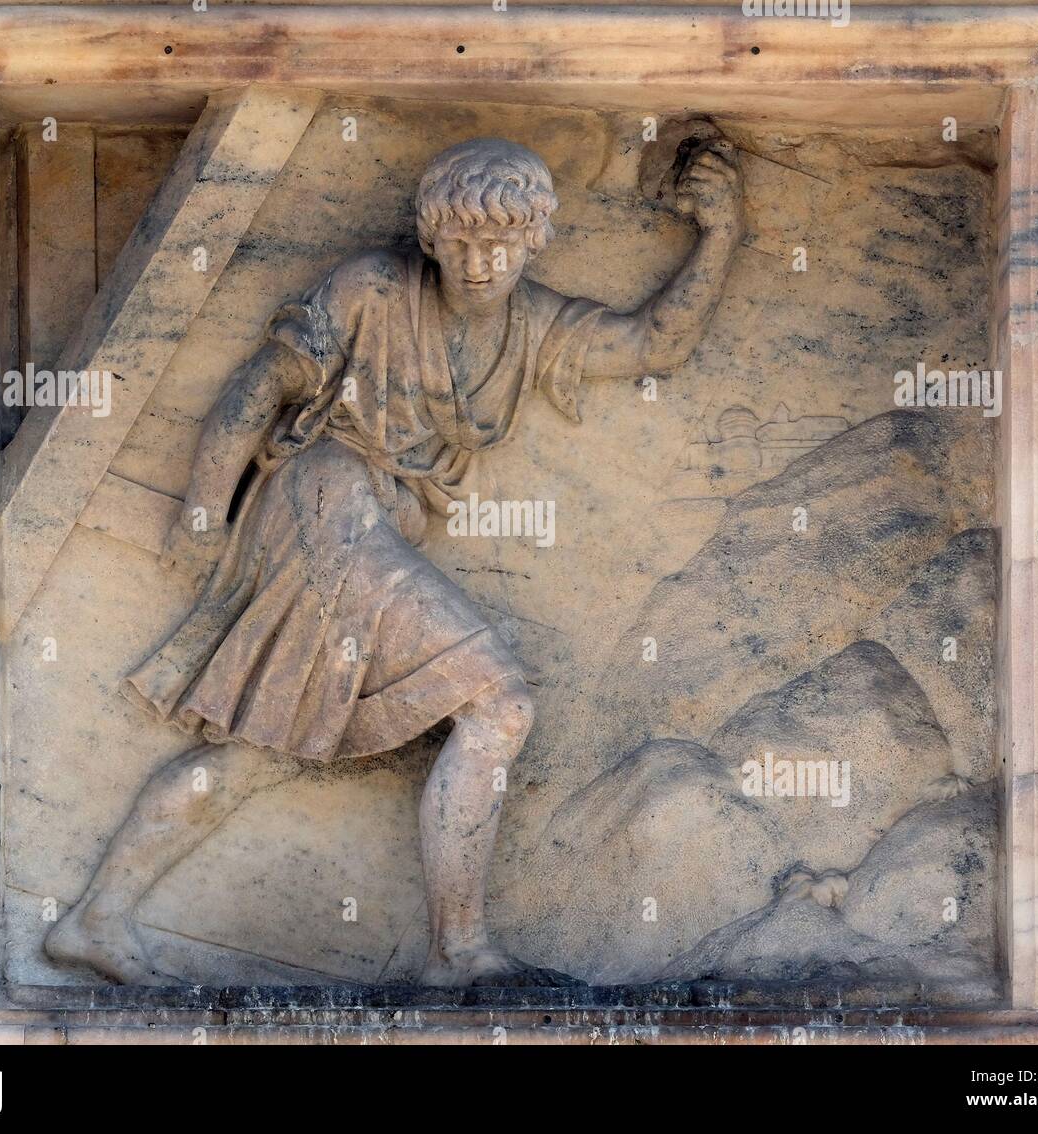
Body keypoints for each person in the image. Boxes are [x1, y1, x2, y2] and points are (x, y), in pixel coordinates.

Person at [46, 135, 744, 987]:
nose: (481, 263)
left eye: (500, 244)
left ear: (534, 240)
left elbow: (652, 345)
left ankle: (94, 917)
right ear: (430, 239)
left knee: (263, 746)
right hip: (324, 503)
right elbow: (258, 391)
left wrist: (722, 235)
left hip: (378, 530)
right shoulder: (373, 286)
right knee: (499, 699)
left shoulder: (536, 327)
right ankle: (460, 953)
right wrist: (200, 513)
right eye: (461, 245)